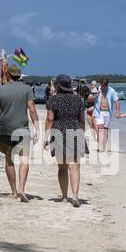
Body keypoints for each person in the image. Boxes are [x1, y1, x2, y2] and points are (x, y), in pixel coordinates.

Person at [0, 62, 38, 201]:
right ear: (19, 75)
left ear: (7, 74)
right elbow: (32, 109)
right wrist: (37, 128)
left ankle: (14, 191)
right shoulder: (27, 89)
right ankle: (22, 188)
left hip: (6, 130)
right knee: (24, 160)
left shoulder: (0, 90)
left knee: (9, 160)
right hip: (22, 130)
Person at [42, 73, 86, 207]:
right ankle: (76, 196)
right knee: (74, 166)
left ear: (58, 86)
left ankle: (65, 197)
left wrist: (46, 137)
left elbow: (50, 119)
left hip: (58, 131)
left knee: (62, 168)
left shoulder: (53, 100)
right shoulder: (78, 99)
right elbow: (82, 120)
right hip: (75, 130)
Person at [91, 77, 119, 152]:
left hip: (108, 113)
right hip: (98, 112)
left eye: (105, 86)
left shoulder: (112, 91)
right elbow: (89, 99)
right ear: (100, 84)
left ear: (107, 85)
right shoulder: (96, 89)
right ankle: (100, 147)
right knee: (100, 128)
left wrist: (117, 111)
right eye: (102, 86)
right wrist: (94, 96)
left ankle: (104, 146)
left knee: (105, 130)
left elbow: (116, 101)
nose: (103, 87)